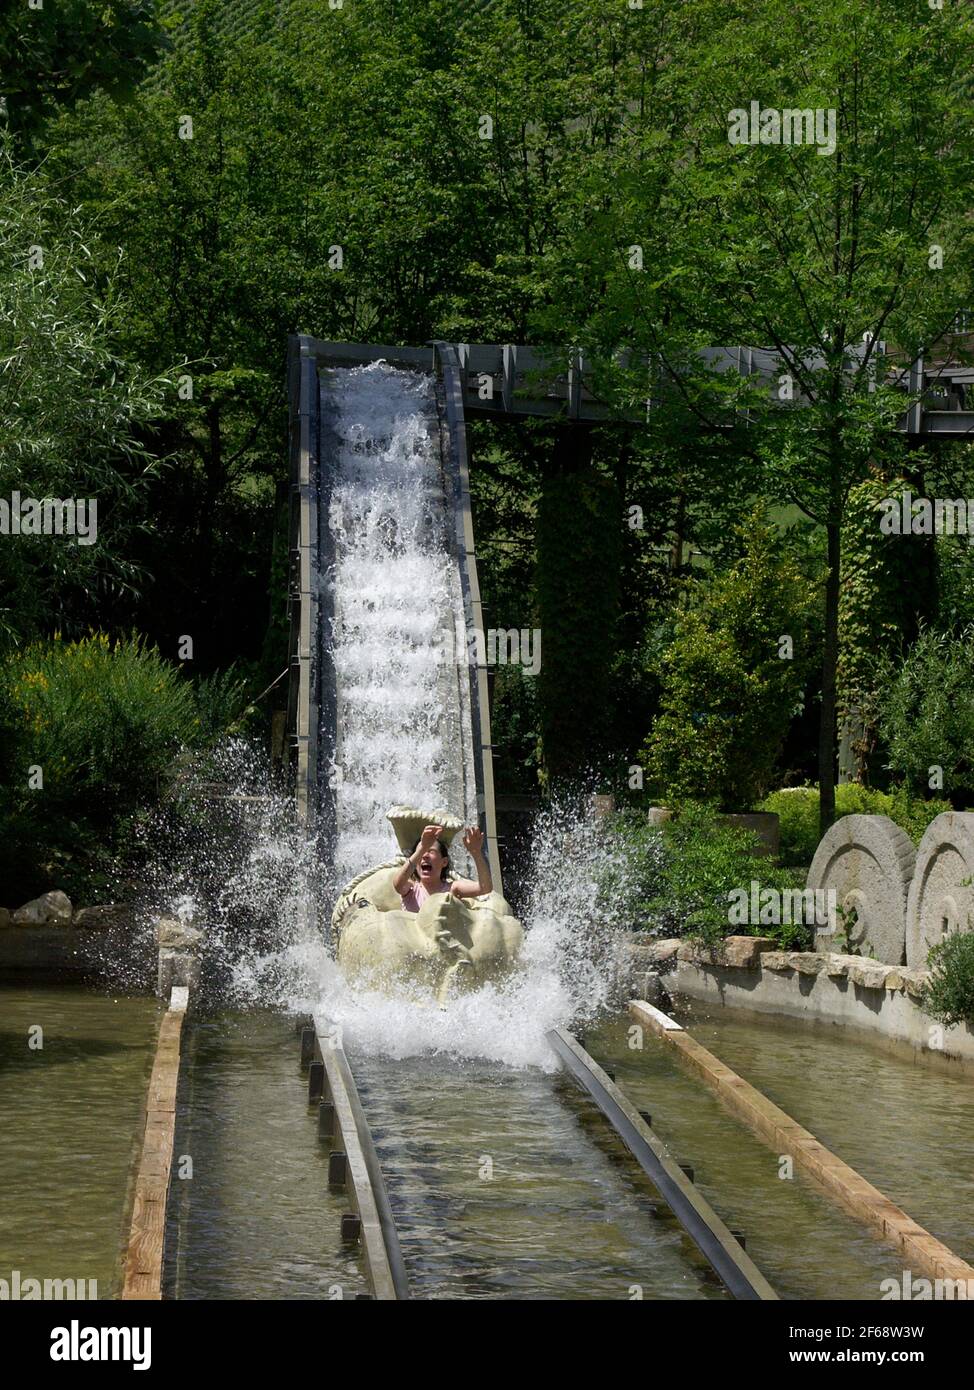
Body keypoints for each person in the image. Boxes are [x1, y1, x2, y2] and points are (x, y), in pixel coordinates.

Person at [392, 822, 493, 913]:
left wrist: (476, 853)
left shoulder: (452, 888)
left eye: (431, 851)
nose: (425, 855)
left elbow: (485, 888)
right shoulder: (411, 889)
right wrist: (420, 849)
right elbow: (398, 884)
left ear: (444, 862)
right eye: (421, 852)